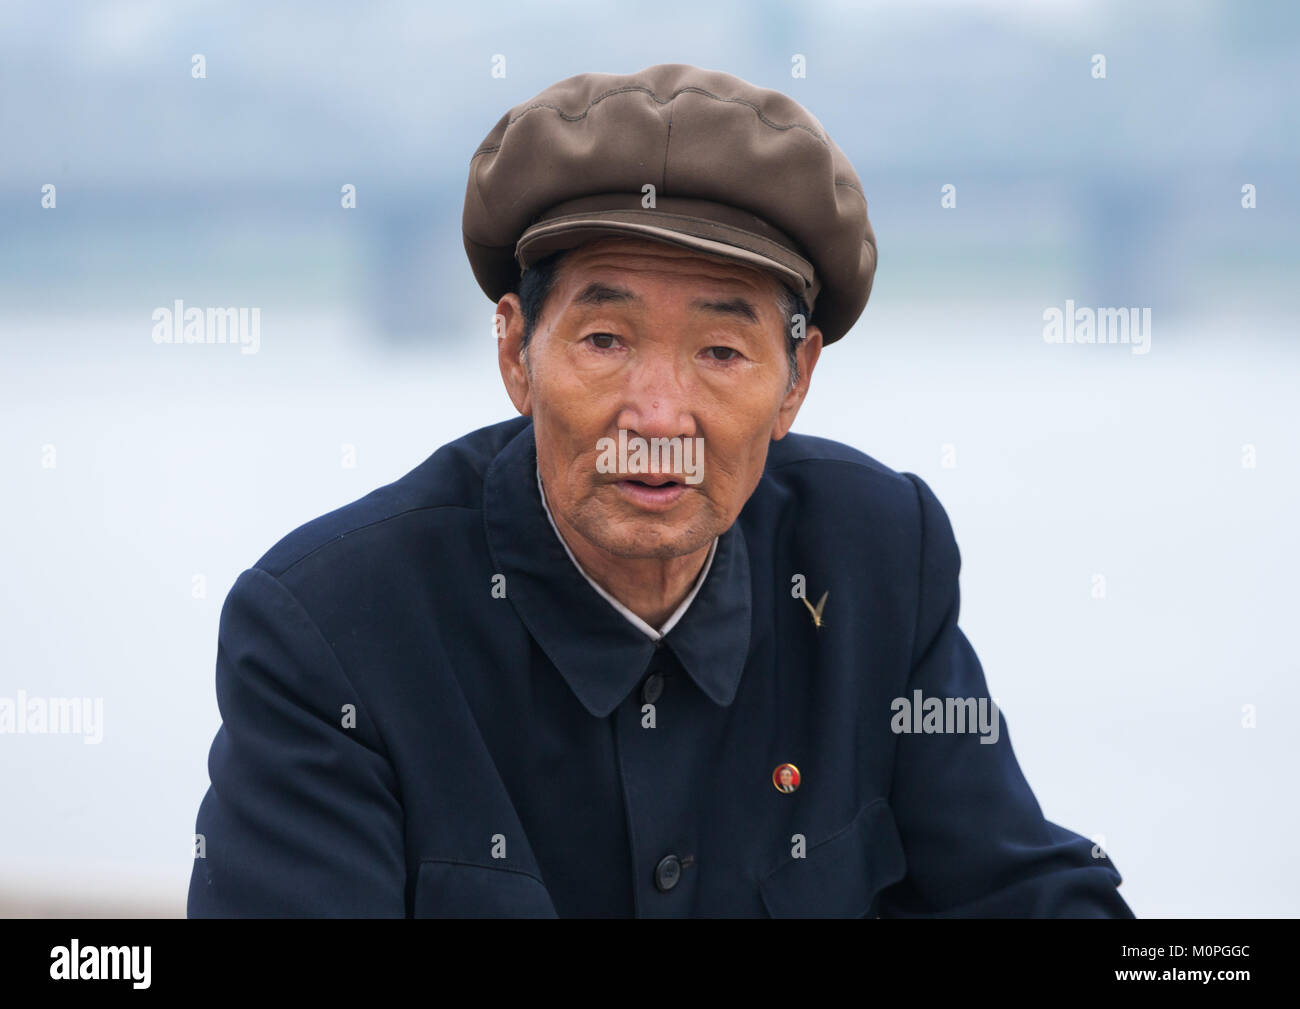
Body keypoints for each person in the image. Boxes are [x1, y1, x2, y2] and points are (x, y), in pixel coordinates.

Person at [188, 63, 1134, 918]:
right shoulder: (329, 630)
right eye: (606, 341)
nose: (658, 417)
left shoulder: (876, 560)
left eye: (721, 352)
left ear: (794, 382)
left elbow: (1027, 892)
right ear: (518, 352)